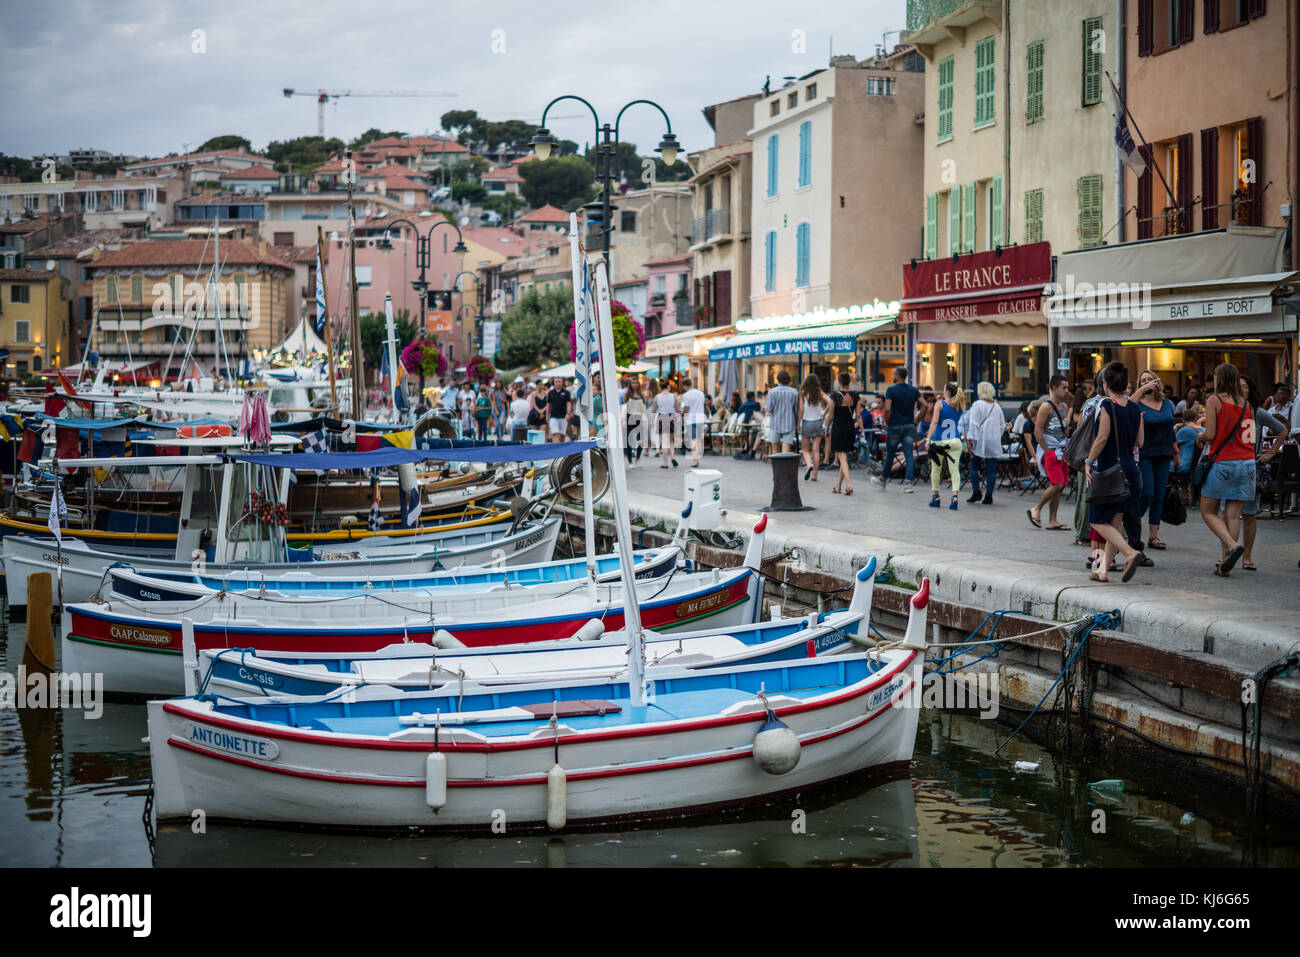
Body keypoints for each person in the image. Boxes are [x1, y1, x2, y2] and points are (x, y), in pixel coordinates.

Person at [1084, 361, 1145, 583]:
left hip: (1110, 467)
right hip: (1129, 467)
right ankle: (1103, 570)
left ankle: (1130, 553)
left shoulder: (1106, 405)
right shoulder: (1134, 408)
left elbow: (1102, 438)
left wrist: (1088, 462)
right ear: (1126, 384)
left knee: (1097, 520)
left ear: (1106, 382)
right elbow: (1140, 441)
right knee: (1116, 521)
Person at [1194, 362, 1256, 575]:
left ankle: (1232, 546)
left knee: (1208, 510)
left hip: (1224, 462)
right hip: (1248, 462)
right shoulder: (1246, 404)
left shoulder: (1215, 400)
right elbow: (1251, 437)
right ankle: (1224, 563)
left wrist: (1199, 436)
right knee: (1232, 515)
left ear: (1219, 379)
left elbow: (1210, 434)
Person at [1225, 377, 1288, 571]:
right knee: (1227, 513)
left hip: (1251, 466)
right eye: (1238, 387)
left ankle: (1247, 557)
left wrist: (1270, 453)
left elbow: (1283, 430)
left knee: (1249, 513)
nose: (1241, 390)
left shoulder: (1258, 412)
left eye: (1244, 387)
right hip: (1227, 465)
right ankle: (1227, 554)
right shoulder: (1226, 410)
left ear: (1251, 390)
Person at [1133, 370, 1177, 551]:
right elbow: (1127, 405)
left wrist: (1176, 451)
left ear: (1157, 382)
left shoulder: (1166, 403)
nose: (1147, 383)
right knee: (1147, 492)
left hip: (1164, 452)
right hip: (1145, 453)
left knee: (1159, 495)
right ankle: (1132, 522)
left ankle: (1153, 536)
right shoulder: (1137, 403)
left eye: (1150, 379)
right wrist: (1141, 391)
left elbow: (1170, 428)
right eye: (1143, 381)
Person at [1028, 374, 1071, 529]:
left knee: (1060, 487)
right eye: (1063, 387)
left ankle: (1053, 520)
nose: (1066, 391)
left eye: (1067, 387)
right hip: (1051, 450)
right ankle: (1036, 509)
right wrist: (1047, 451)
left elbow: (1064, 430)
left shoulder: (1065, 408)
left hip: (1062, 450)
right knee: (1057, 484)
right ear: (1053, 388)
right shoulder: (1046, 407)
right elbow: (1037, 431)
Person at [873, 367, 920, 492]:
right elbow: (925, 405)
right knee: (909, 454)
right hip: (909, 425)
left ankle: (883, 480)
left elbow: (887, 409)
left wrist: (888, 422)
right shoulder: (913, 390)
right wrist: (917, 420)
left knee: (890, 454)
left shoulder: (891, 390)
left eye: (894, 374)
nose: (892, 376)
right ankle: (909, 483)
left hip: (894, 426)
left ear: (898, 376)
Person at [925, 381, 965, 510]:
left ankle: (935, 496)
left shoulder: (939, 405)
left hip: (939, 441)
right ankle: (955, 496)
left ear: (947, 392)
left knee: (936, 469)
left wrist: (928, 439)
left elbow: (935, 422)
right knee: (954, 470)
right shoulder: (959, 405)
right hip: (955, 440)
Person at [965, 381, 1005, 504]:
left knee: (974, 466)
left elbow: (973, 424)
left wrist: (969, 440)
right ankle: (989, 495)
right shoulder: (997, 406)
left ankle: (976, 492)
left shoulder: (977, 405)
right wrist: (997, 436)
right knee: (991, 469)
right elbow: (1002, 425)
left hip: (980, 439)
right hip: (993, 440)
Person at [826, 389, 859, 495]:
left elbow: (831, 416)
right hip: (850, 428)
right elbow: (858, 414)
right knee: (843, 458)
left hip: (838, 428)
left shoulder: (835, 395)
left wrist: (827, 429)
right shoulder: (855, 395)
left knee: (842, 458)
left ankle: (849, 485)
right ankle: (838, 486)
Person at [798, 374, 828, 481]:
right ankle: (815, 475)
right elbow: (830, 401)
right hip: (818, 422)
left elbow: (801, 411)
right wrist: (824, 413)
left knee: (805, 450)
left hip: (806, 422)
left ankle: (809, 464)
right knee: (816, 450)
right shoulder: (819, 392)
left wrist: (798, 424)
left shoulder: (802, 393)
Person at [765, 370, 799, 453]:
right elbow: (796, 410)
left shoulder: (772, 392)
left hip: (775, 424)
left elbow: (769, 409)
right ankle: (784, 466)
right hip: (789, 423)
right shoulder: (794, 392)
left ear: (778, 379)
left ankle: (776, 466)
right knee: (786, 449)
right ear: (789, 379)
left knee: (775, 449)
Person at [679, 377, 707, 467]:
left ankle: (695, 460)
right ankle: (697, 456)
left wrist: (682, 416)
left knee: (693, 439)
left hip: (691, 419)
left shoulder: (686, 395)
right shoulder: (701, 393)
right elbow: (703, 405)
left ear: (685, 385)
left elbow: (686, 408)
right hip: (701, 418)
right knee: (698, 439)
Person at [653, 377, 680, 468]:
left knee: (664, 442)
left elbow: (653, 410)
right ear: (668, 386)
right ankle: (672, 457)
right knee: (671, 441)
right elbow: (677, 409)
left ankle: (665, 463)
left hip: (662, 417)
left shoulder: (657, 397)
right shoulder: (673, 396)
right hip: (672, 417)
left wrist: (652, 421)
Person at [623, 378, 647, 466]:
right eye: (633, 383)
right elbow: (624, 408)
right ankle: (630, 462)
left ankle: (637, 458)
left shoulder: (642, 395)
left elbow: (643, 409)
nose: (634, 384)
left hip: (639, 418)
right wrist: (623, 420)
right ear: (630, 384)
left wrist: (644, 420)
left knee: (640, 441)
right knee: (629, 441)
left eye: (636, 383)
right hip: (629, 418)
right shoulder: (627, 395)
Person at [545, 376, 572, 443]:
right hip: (553, 416)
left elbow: (568, 404)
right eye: (556, 381)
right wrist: (547, 414)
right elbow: (548, 405)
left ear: (562, 382)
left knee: (562, 435)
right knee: (556, 434)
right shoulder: (550, 392)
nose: (557, 383)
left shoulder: (566, 392)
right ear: (554, 382)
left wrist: (568, 413)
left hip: (563, 416)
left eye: (559, 381)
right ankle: (556, 451)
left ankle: (561, 450)